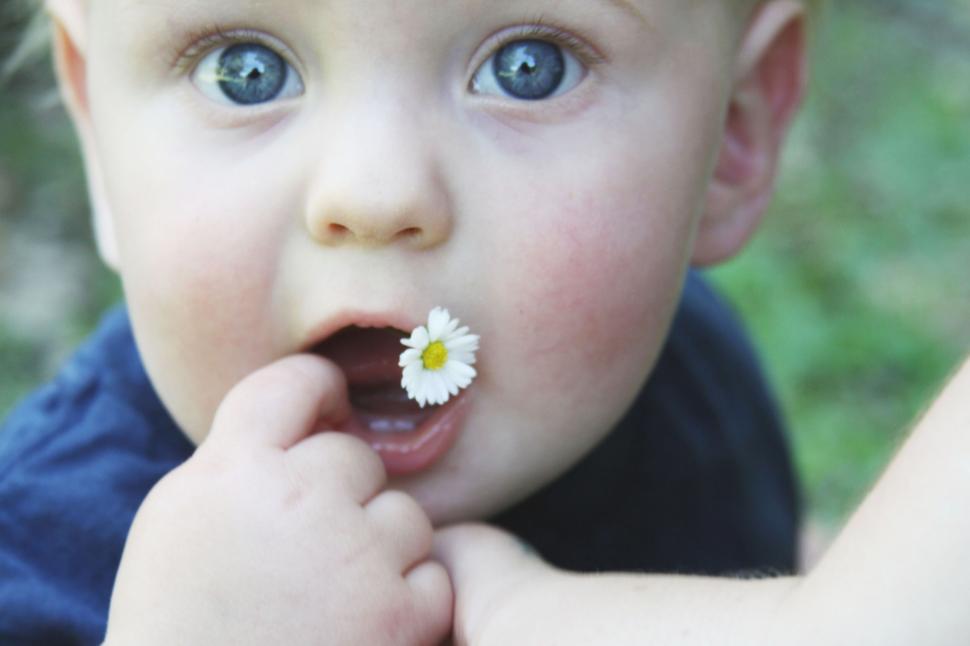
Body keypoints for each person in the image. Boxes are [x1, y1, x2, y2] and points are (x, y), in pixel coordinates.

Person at [0, 0, 822, 643]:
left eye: (528, 68)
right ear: (98, 140)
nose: (375, 194)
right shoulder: (33, 572)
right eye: (244, 69)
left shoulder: (696, 386)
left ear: (732, 131)